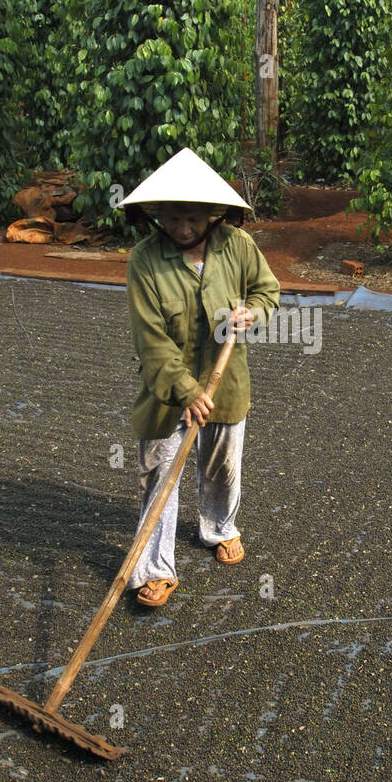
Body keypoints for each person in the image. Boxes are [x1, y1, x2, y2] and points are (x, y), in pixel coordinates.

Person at [119, 147, 281, 607]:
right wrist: (186, 391)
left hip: (226, 382)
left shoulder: (237, 246)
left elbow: (267, 291)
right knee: (160, 474)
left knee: (221, 467)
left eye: (191, 218)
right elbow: (150, 340)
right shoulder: (145, 260)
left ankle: (218, 528)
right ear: (157, 215)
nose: (181, 229)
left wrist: (254, 312)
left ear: (213, 214)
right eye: (171, 218)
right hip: (166, 390)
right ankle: (153, 568)